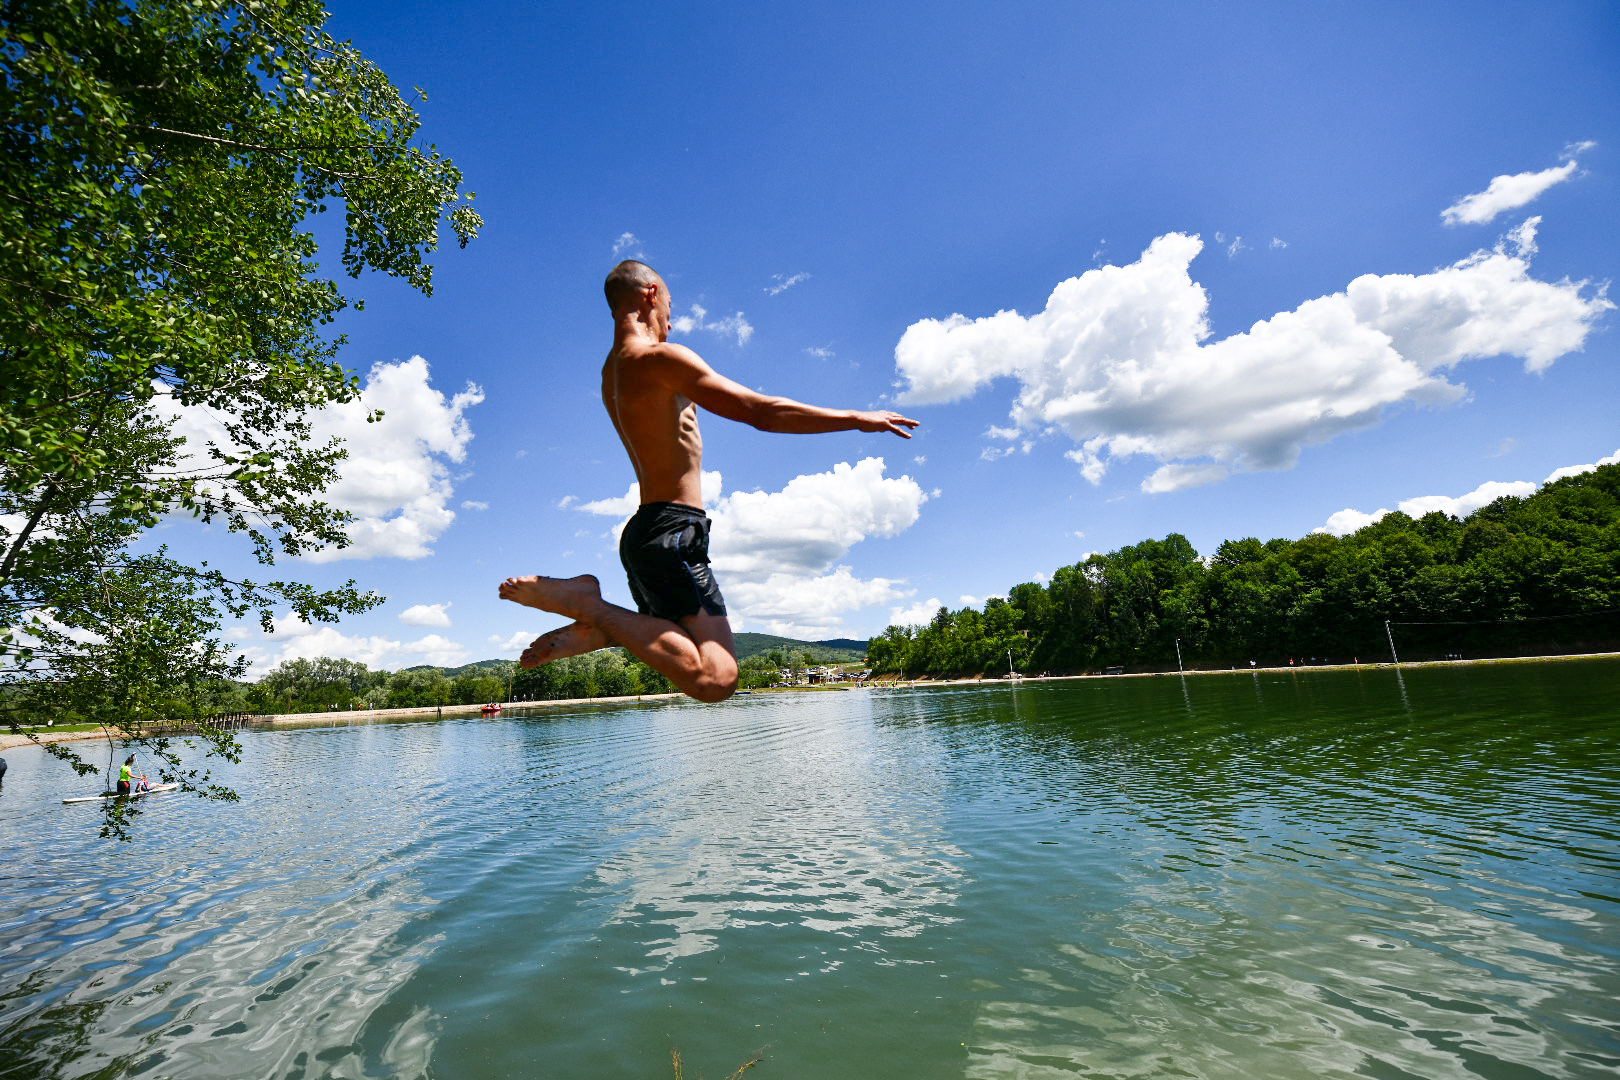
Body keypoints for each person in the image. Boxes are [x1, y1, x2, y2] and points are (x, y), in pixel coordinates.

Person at [500, 260, 919, 703]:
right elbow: (761, 412)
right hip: (671, 533)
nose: (671, 320)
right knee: (716, 679)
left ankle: (608, 631)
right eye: (669, 306)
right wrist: (857, 419)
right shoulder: (661, 358)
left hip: (648, 532)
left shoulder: (612, 373)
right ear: (650, 294)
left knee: (678, 643)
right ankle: (591, 608)